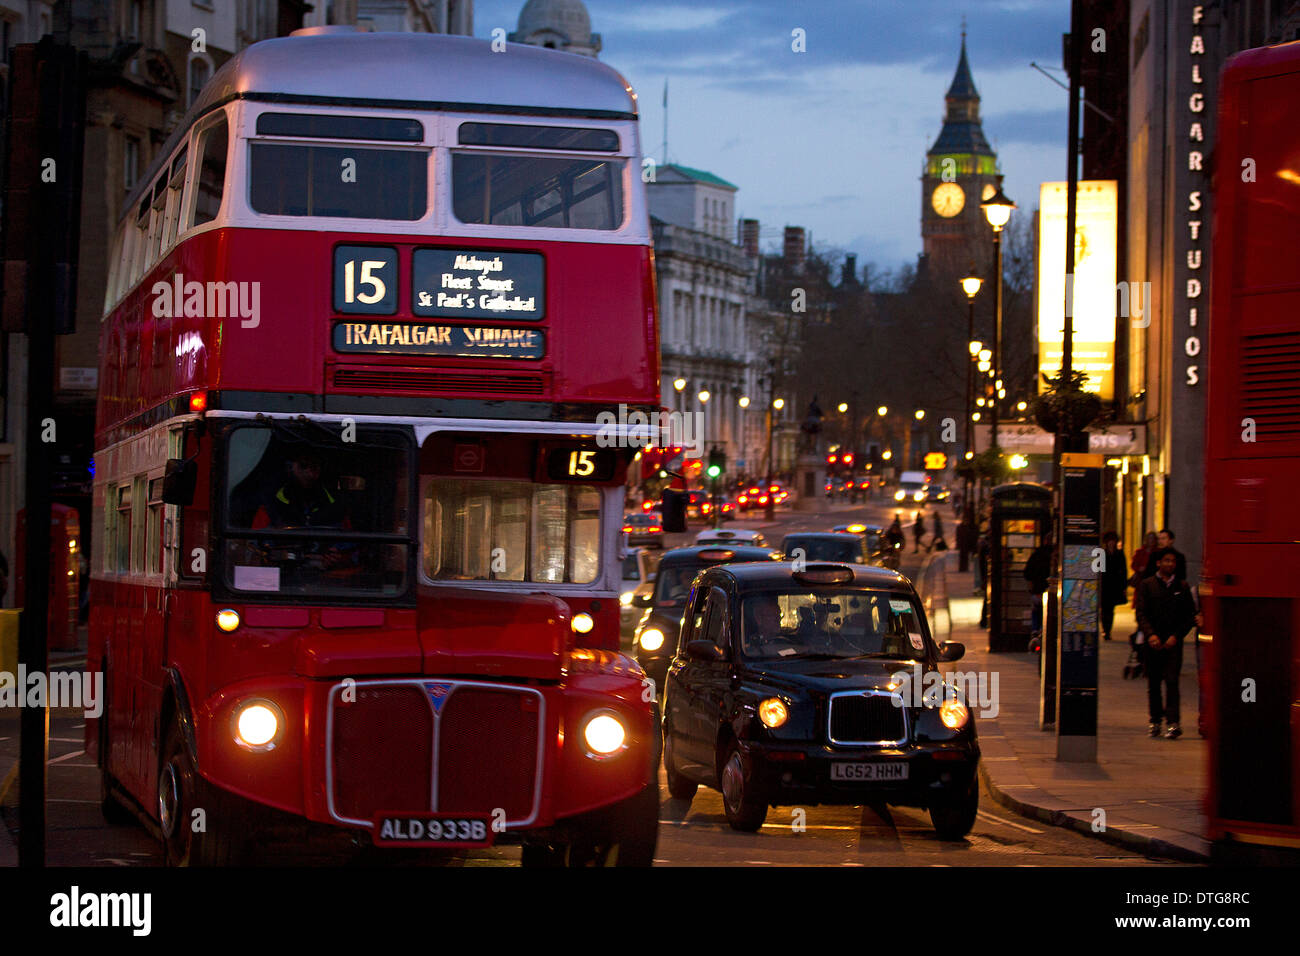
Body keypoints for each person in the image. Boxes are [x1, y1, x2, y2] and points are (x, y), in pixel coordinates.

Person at [1135, 549, 1199, 738]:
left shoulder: (1182, 586)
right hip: (1152, 642)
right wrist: (1151, 635)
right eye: (1167, 561)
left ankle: (1173, 722)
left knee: (1172, 682)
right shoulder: (1147, 585)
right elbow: (1141, 613)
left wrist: (1176, 636)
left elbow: (1188, 617)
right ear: (1158, 563)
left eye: (1173, 561)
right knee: (1154, 683)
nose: (1170, 564)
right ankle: (1155, 721)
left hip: (1173, 643)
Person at [1100, 531, 1128, 641]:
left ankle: (1108, 630)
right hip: (1105, 584)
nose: (1111, 543)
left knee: (1110, 609)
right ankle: (1105, 629)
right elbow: (1098, 570)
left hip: (1114, 585)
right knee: (1104, 608)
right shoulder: (1102, 553)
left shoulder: (1120, 554)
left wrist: (1123, 586)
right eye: (1109, 541)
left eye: (1113, 541)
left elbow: (1124, 570)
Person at [1023, 542, 1051, 637]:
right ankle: (1044, 631)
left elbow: (1027, 574)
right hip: (1051, 590)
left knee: (1036, 610)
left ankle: (1035, 630)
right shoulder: (1055, 555)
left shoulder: (1036, 555)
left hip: (1037, 589)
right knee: (1049, 613)